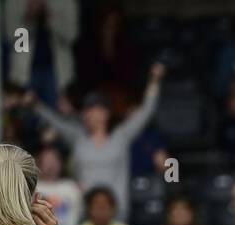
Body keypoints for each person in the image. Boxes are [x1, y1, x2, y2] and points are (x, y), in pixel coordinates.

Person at [30, 63, 164, 215]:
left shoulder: (121, 136)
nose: (88, 115)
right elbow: (55, 121)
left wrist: (155, 79)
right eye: (86, 111)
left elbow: (146, 111)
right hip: (85, 213)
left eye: (93, 109)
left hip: (117, 212)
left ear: (105, 113)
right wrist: (35, 105)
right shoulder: (77, 137)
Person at [35, 144, 83, 225]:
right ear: (39, 163)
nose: (51, 165)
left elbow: (80, 213)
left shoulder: (71, 187)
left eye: (54, 160)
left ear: (61, 163)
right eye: (47, 161)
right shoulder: (33, 187)